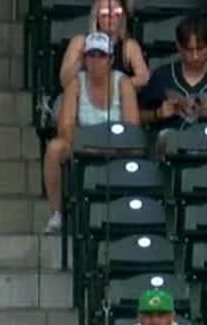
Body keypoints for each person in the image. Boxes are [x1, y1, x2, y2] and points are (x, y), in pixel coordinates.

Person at [43, 31, 141, 234]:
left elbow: (132, 128)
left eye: (101, 55)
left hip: (117, 148)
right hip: (83, 145)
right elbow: (65, 127)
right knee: (54, 149)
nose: (96, 61)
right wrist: (91, 143)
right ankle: (57, 214)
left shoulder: (123, 83)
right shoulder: (75, 83)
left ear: (111, 59)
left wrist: (102, 143)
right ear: (84, 59)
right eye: (91, 55)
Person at [139, 15, 207, 136]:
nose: (195, 56)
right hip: (171, 146)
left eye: (200, 49)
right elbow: (139, 116)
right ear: (178, 46)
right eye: (189, 50)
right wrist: (158, 113)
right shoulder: (162, 76)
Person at [57, 0, 150, 91]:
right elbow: (64, 80)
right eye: (105, 13)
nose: (111, 17)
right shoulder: (80, 42)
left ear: (123, 17)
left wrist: (114, 87)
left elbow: (143, 77)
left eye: (116, 13)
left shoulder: (129, 46)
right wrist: (80, 60)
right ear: (96, 15)